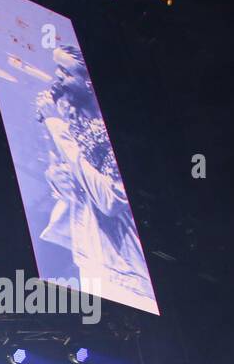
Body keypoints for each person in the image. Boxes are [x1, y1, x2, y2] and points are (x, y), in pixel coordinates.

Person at [34, 45, 156, 314]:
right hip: (89, 253)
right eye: (57, 68)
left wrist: (56, 126)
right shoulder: (69, 116)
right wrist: (56, 178)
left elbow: (110, 200)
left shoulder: (117, 134)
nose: (58, 77)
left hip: (126, 270)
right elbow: (63, 173)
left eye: (66, 72)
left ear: (89, 82)